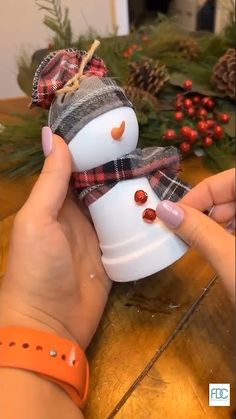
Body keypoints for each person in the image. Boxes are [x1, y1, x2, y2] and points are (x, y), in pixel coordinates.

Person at [0, 128, 234, 418]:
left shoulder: (138, 168)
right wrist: (41, 320)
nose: (117, 129)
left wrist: (39, 323)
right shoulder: (93, 184)